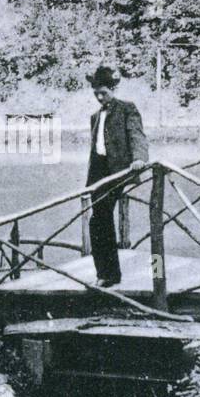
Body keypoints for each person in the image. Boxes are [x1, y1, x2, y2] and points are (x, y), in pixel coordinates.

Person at [85, 65, 149, 287]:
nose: (100, 97)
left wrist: (139, 159)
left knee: (102, 218)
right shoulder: (94, 117)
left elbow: (137, 136)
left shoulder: (126, 109)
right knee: (96, 221)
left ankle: (110, 275)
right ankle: (103, 273)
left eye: (104, 92)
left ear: (113, 88)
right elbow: (96, 150)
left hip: (117, 172)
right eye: (96, 94)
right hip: (98, 173)